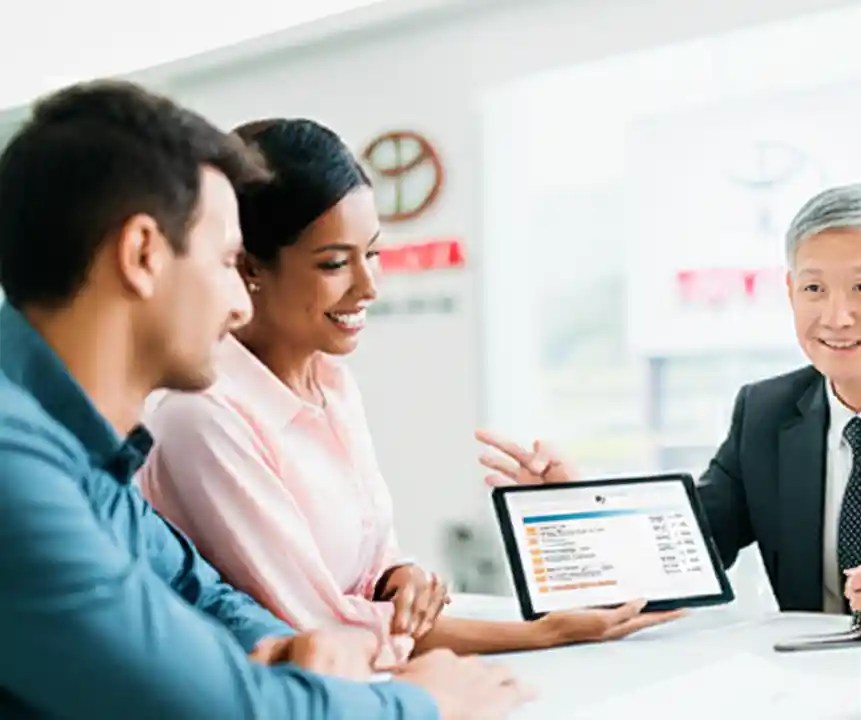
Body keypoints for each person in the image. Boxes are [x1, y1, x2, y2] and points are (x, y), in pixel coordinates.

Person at [0, 81, 528, 718]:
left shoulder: (83, 453)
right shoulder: (13, 463)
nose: (240, 303)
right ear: (142, 254)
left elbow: (202, 593)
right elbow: (217, 707)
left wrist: (285, 648)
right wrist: (423, 704)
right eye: (227, 262)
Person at [137, 117, 682, 665]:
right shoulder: (203, 417)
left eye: (371, 253)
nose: (369, 285)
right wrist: (544, 633)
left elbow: (366, 571)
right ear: (250, 267)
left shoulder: (333, 382)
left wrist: (398, 578)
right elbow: (318, 630)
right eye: (334, 263)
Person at [477, 182, 861, 654]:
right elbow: (691, 547)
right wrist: (582, 518)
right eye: (813, 289)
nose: (836, 317)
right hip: (800, 680)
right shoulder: (765, 413)